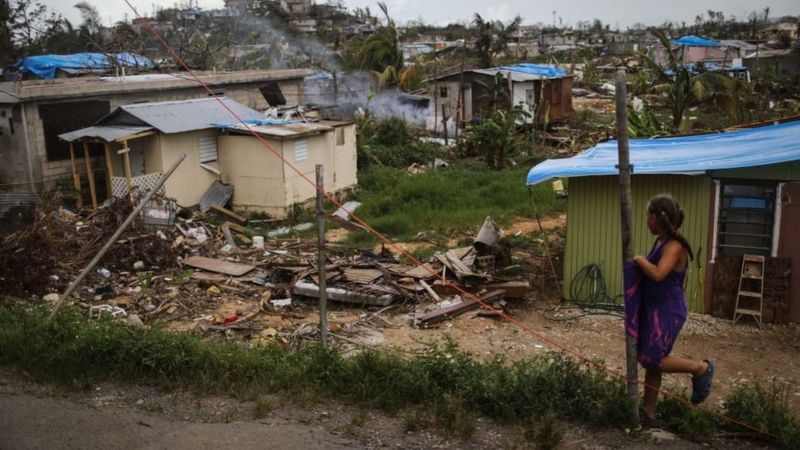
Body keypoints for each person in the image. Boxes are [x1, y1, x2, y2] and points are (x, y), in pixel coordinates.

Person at [632, 194, 714, 426]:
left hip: (667, 311)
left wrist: (638, 259)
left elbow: (658, 273)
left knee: (652, 360)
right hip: (655, 309)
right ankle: (649, 414)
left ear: (657, 217)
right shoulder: (660, 241)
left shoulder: (675, 245)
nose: (646, 220)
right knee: (654, 359)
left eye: (648, 215)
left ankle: (700, 368)